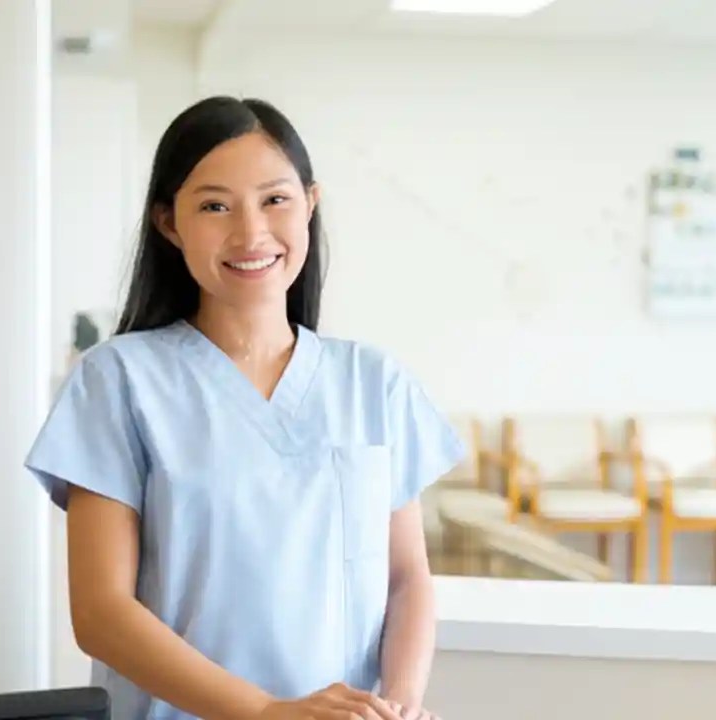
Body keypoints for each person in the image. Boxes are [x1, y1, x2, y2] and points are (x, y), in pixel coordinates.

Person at [24, 95, 465, 720]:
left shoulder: (376, 383)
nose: (251, 232)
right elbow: (101, 612)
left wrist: (397, 705)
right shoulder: (118, 381)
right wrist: (263, 711)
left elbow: (406, 579)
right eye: (214, 206)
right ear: (169, 224)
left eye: (275, 200)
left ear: (310, 204)